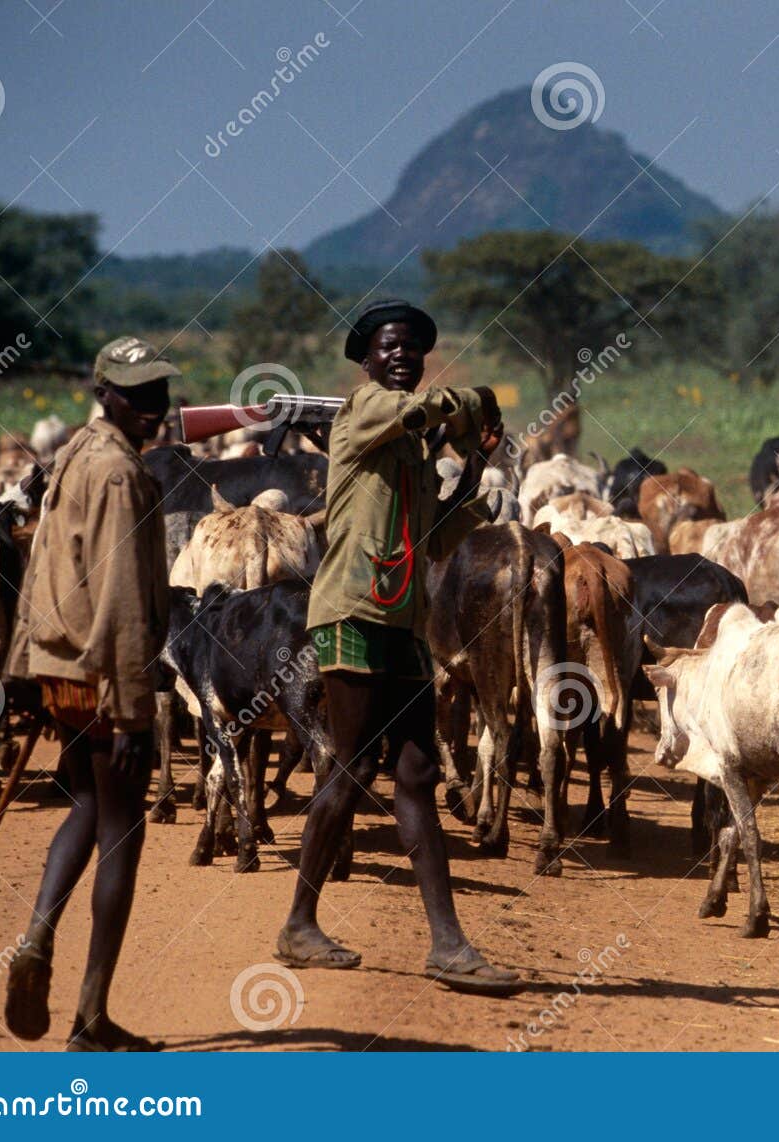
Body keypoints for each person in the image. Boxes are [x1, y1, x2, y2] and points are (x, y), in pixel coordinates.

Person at [275, 299, 523, 996]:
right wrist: (473, 399)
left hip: (404, 622)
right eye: (391, 346)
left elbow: (435, 534)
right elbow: (425, 409)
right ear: (366, 358)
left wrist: (472, 472)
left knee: (416, 776)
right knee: (351, 769)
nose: (403, 355)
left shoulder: (415, 447)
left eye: (414, 347)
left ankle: (447, 944)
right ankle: (299, 923)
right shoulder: (361, 413)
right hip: (354, 610)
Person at [4, 336, 175, 1051]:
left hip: (60, 668)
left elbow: (45, 558)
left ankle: (39, 937)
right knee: (123, 832)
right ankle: (91, 1016)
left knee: (82, 800)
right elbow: (124, 597)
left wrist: (25, 666)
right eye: (136, 395)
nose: (152, 407)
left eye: (158, 392)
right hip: (103, 676)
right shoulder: (118, 475)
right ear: (105, 392)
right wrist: (134, 707)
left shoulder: (75, 451)